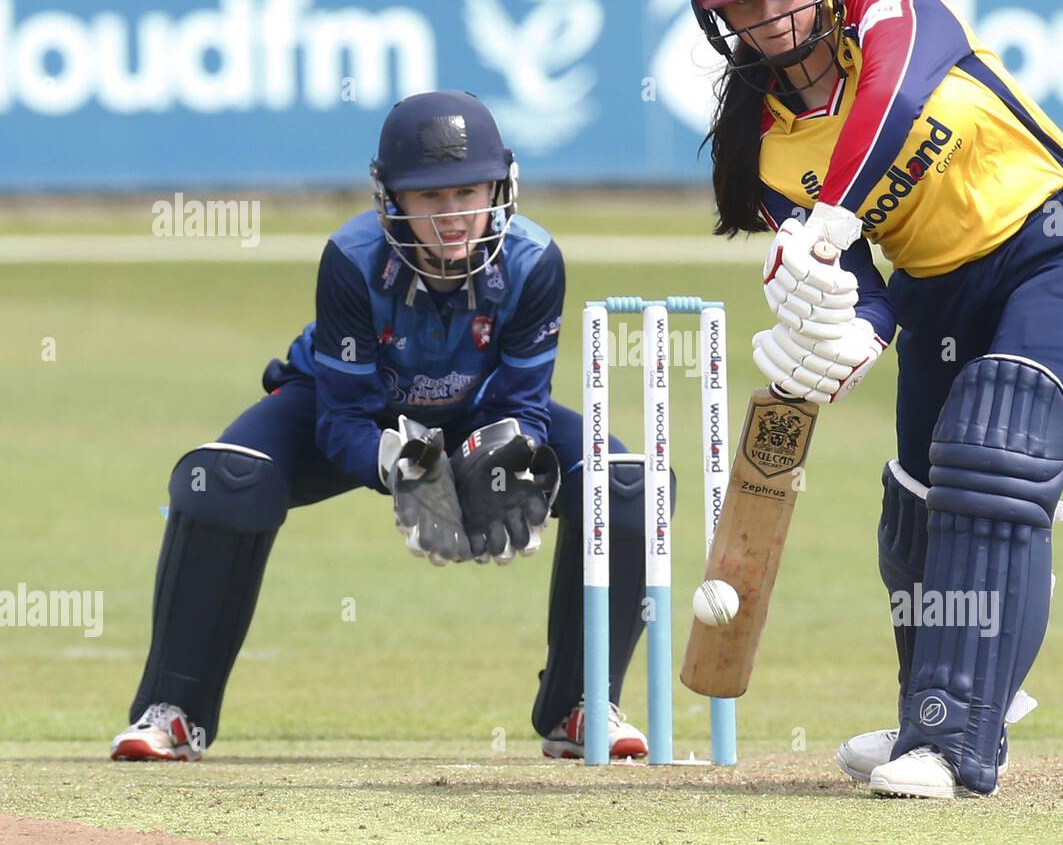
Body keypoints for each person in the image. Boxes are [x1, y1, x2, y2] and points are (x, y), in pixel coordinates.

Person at [689, 0, 1063, 797]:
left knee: (992, 447)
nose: (772, 17)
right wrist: (848, 324)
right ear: (721, 22)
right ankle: (930, 710)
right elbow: (854, 270)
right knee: (916, 507)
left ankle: (954, 740)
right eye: (744, 6)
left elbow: (893, 100)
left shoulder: (890, 5)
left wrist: (829, 213)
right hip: (935, 291)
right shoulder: (759, 144)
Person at [110, 91, 661, 763]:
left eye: (468, 190)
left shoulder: (534, 261)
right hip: (350, 411)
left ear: (501, 184)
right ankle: (172, 712)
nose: (454, 215)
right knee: (222, 479)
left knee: (626, 483)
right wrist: (405, 464)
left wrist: (503, 455)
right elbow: (340, 418)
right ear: (391, 196)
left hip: (473, 412)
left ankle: (581, 705)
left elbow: (523, 401)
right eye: (430, 196)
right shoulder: (352, 258)